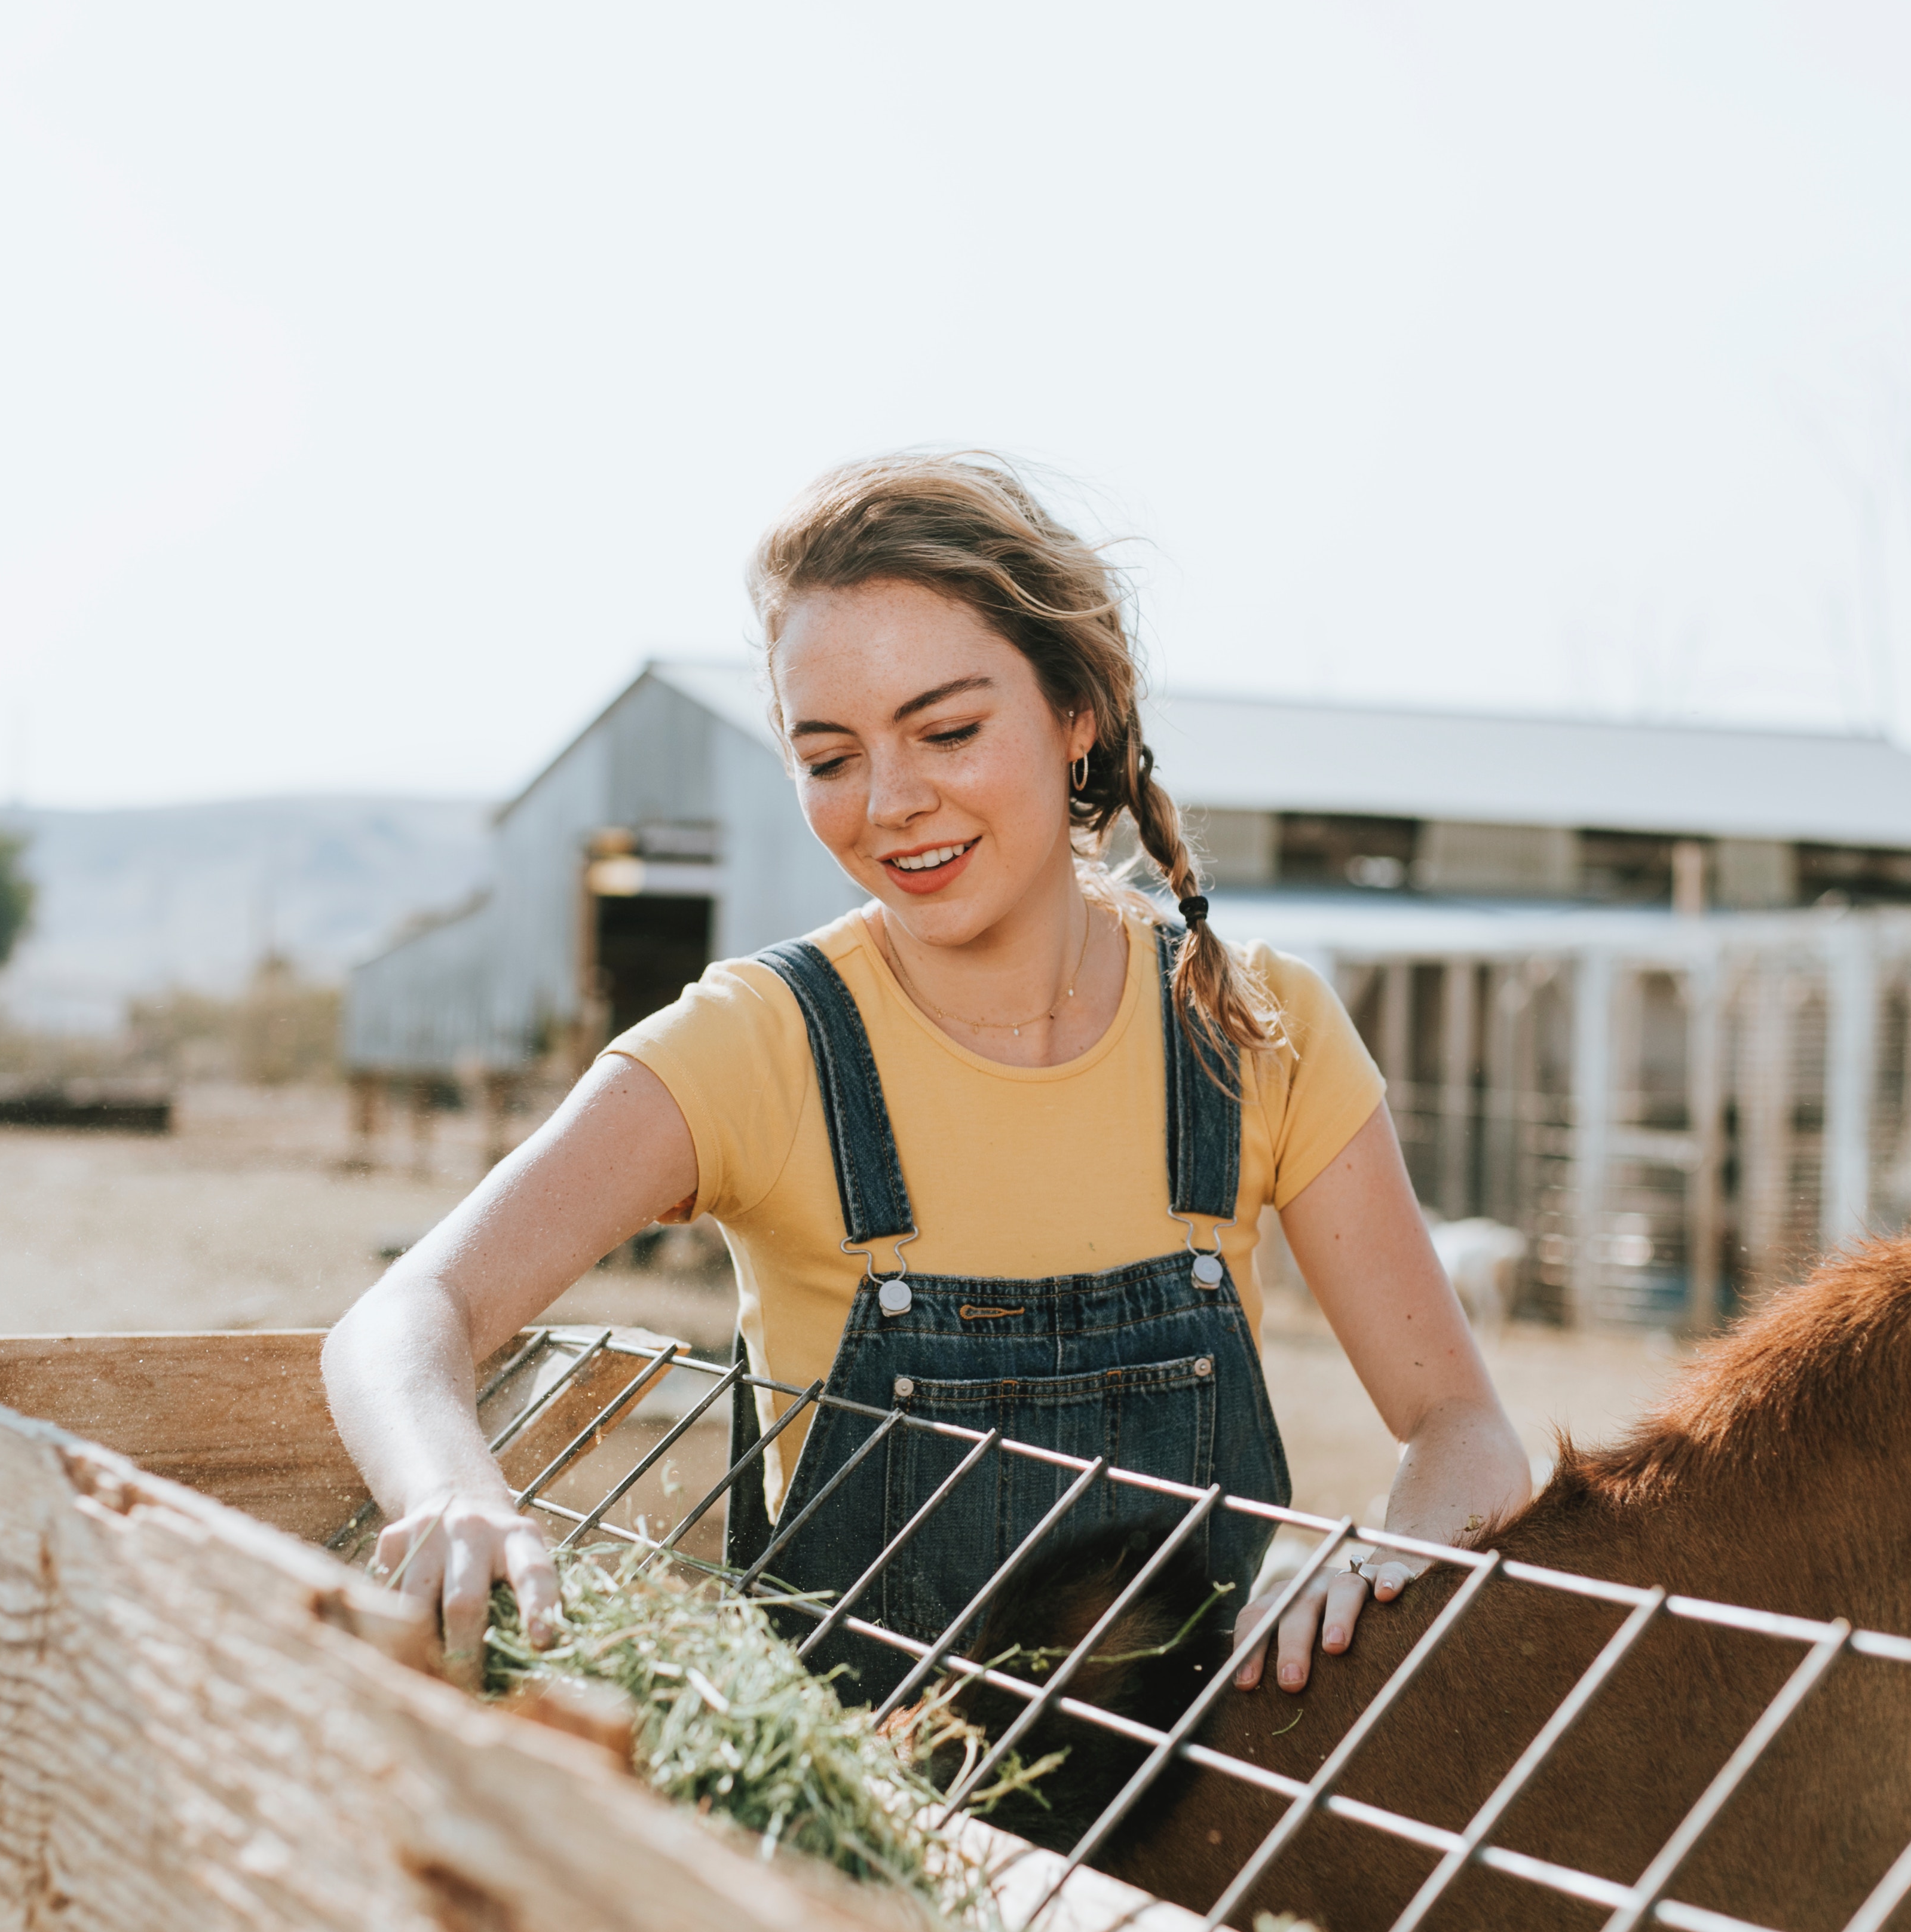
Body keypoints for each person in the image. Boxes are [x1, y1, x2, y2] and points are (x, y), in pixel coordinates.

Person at [321, 453, 1532, 1704]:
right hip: (854, 1838)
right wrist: (453, 1493)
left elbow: (1463, 1429)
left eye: (946, 730)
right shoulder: (759, 1042)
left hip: (1191, 1841)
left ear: (1078, 714)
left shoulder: (1250, 1026)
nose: (890, 803)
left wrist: (1387, 1556)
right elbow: (406, 1318)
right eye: (829, 755)